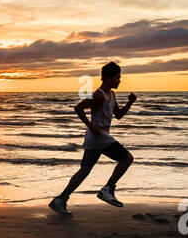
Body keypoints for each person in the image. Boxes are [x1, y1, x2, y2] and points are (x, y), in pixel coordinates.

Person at [49, 61, 137, 215]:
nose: (119, 80)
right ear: (108, 78)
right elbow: (78, 108)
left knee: (84, 170)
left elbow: (119, 115)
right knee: (127, 158)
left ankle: (60, 199)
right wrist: (91, 126)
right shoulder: (99, 95)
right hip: (99, 136)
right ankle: (108, 188)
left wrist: (130, 103)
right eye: (117, 78)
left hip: (98, 137)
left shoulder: (111, 94)